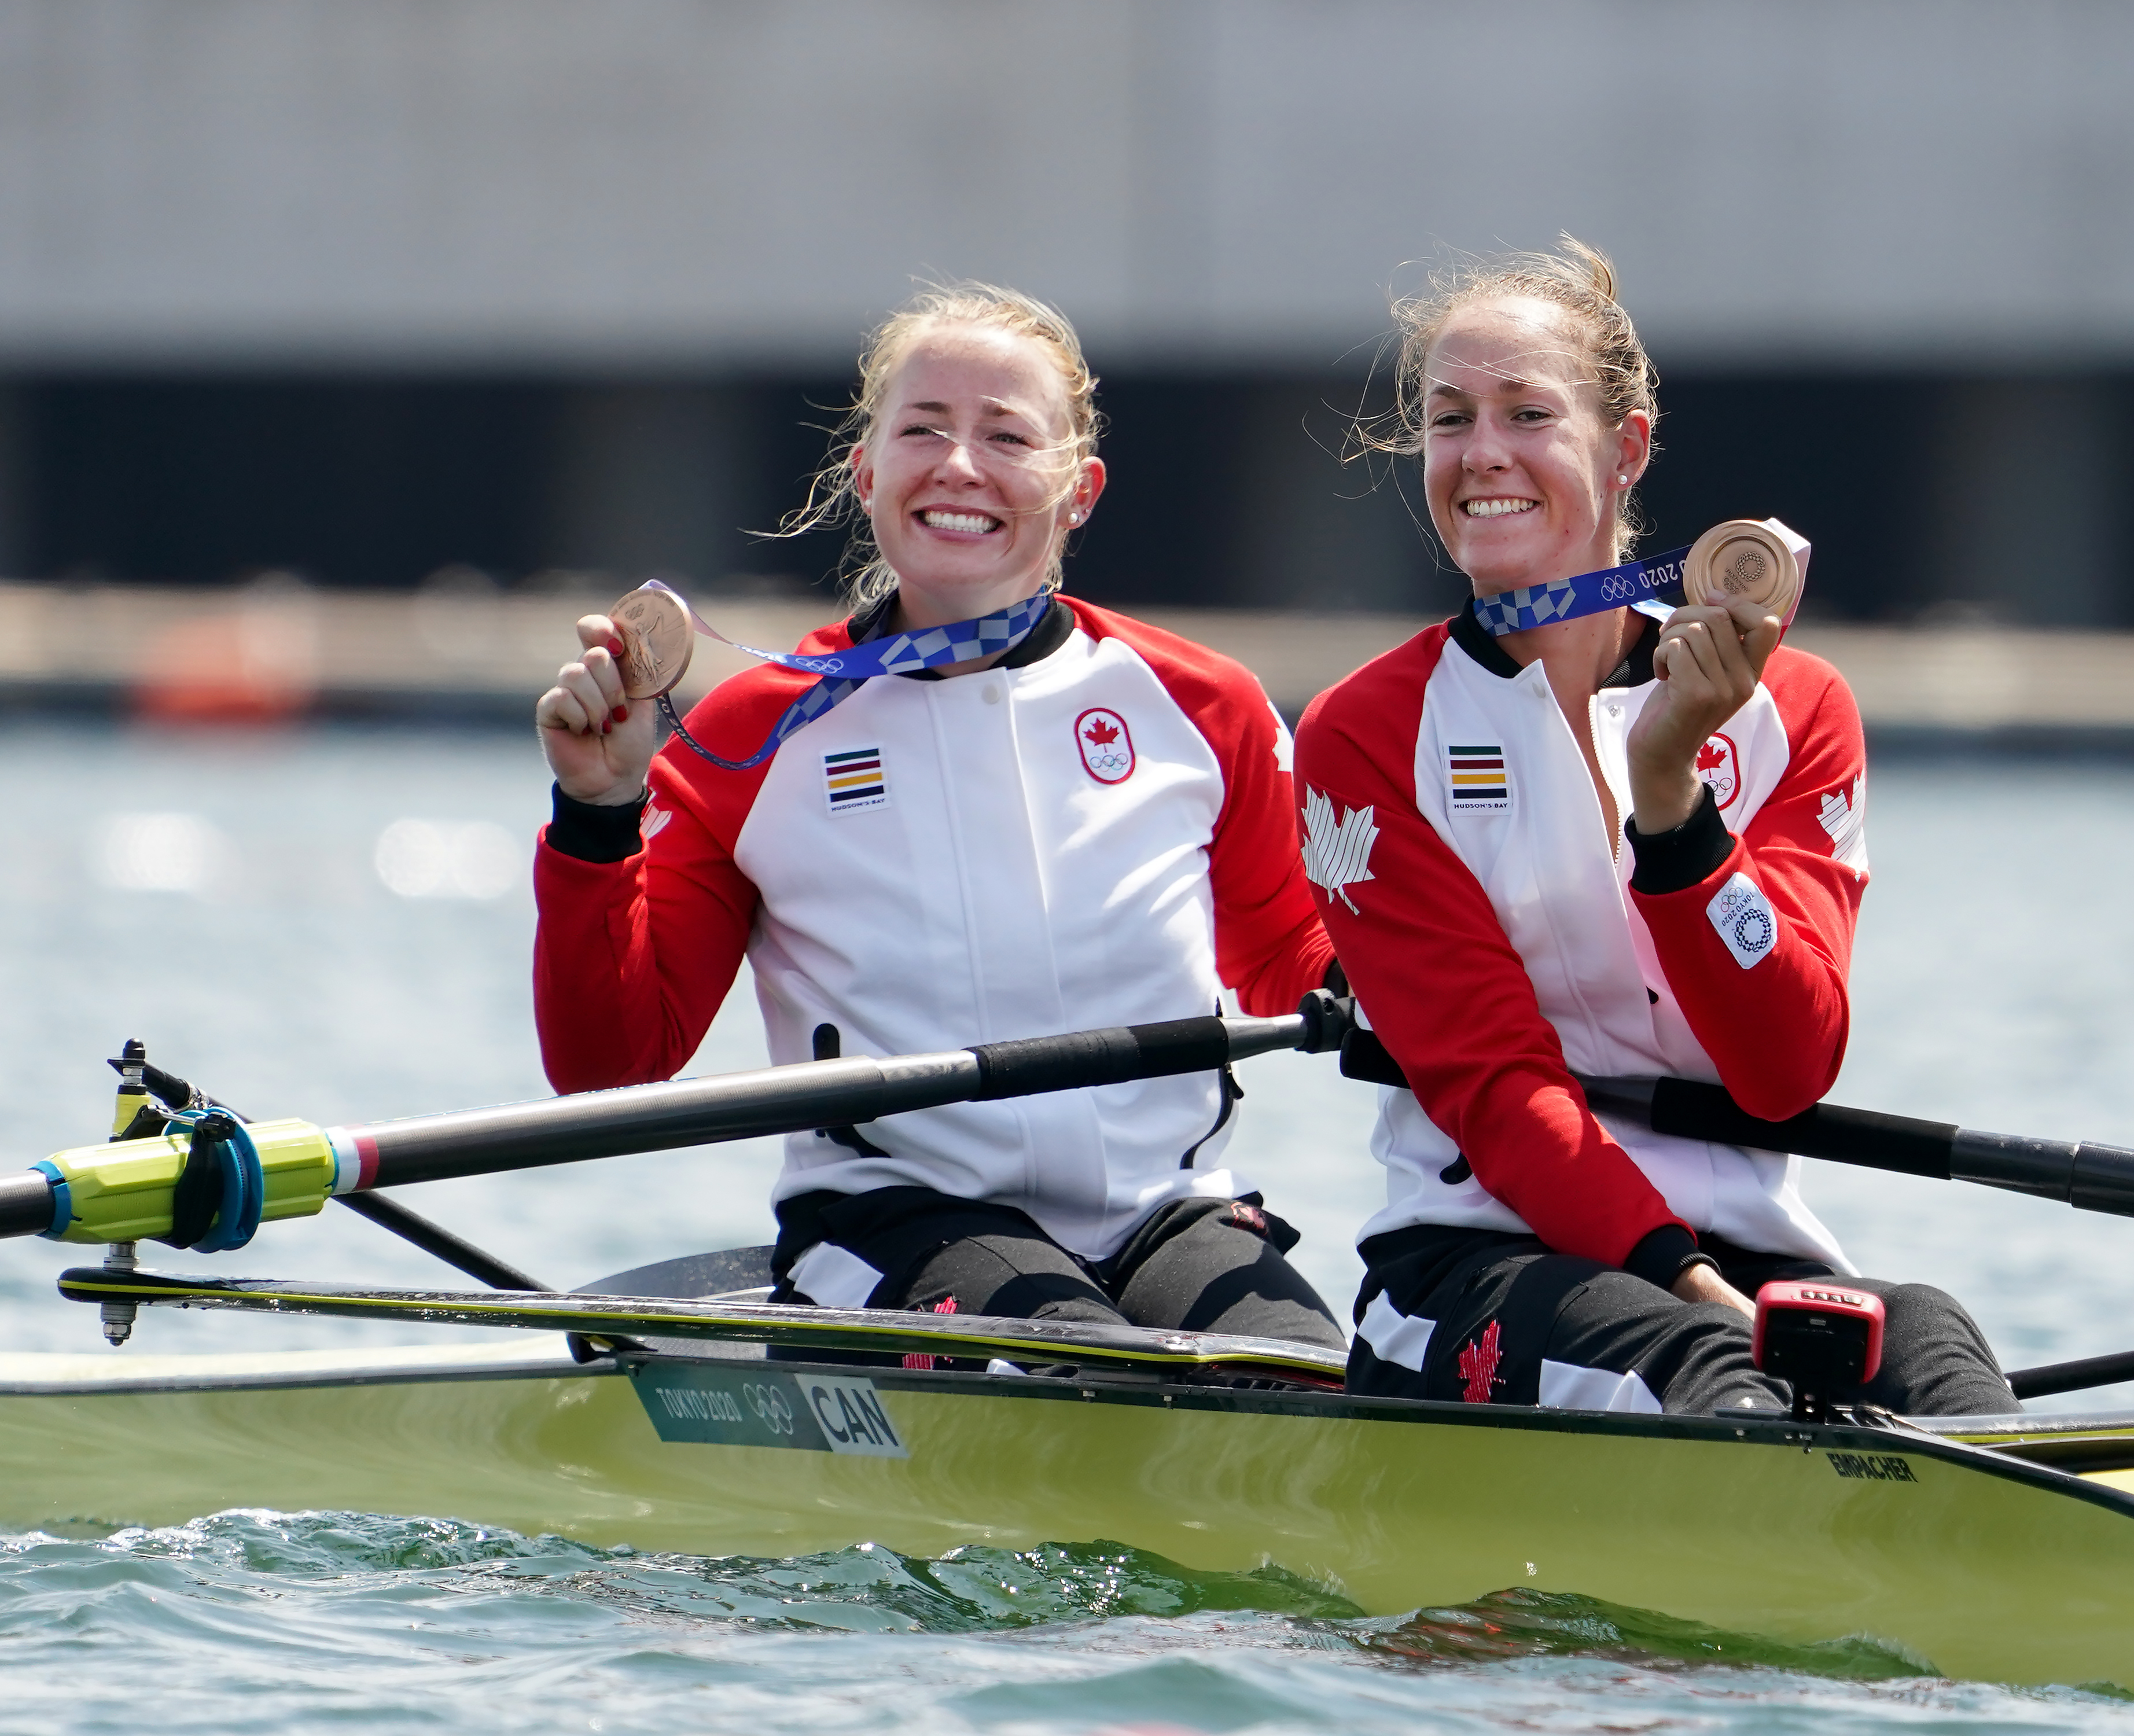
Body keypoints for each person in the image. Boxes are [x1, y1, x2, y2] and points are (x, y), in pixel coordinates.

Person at [531, 284, 1346, 1354]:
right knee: (1073, 1363)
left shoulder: (1204, 704)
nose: (959, 467)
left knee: (1311, 1388)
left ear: (1079, 490)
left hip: (1172, 1213)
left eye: (1007, 436)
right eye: (923, 430)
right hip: (893, 1217)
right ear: (866, 474)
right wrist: (599, 815)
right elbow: (613, 1069)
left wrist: (1442, 978)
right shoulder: (749, 734)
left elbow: (1291, 954)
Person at [1293, 241, 2015, 1417]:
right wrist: (1701, 1295)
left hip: (1744, 1256)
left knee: (1937, 1352)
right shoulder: (1363, 736)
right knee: (1717, 1383)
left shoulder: (1798, 711)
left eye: (1528, 414)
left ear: (1623, 449)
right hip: (1475, 1259)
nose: (1481, 456)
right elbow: (1492, 1085)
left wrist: (1671, 795)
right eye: (1450, 419)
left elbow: (1782, 1072)